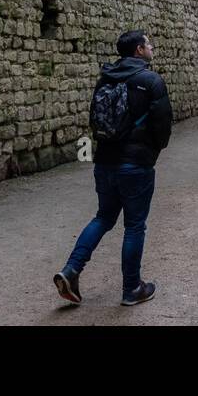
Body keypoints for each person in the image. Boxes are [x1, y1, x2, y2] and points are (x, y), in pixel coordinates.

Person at [54, 29, 172, 306]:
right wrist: (151, 151)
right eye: (148, 44)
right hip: (135, 166)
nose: (152, 47)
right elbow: (163, 125)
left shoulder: (105, 79)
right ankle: (132, 288)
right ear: (139, 51)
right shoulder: (151, 80)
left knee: (103, 218)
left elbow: (96, 119)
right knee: (134, 227)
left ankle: (71, 270)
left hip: (105, 162)